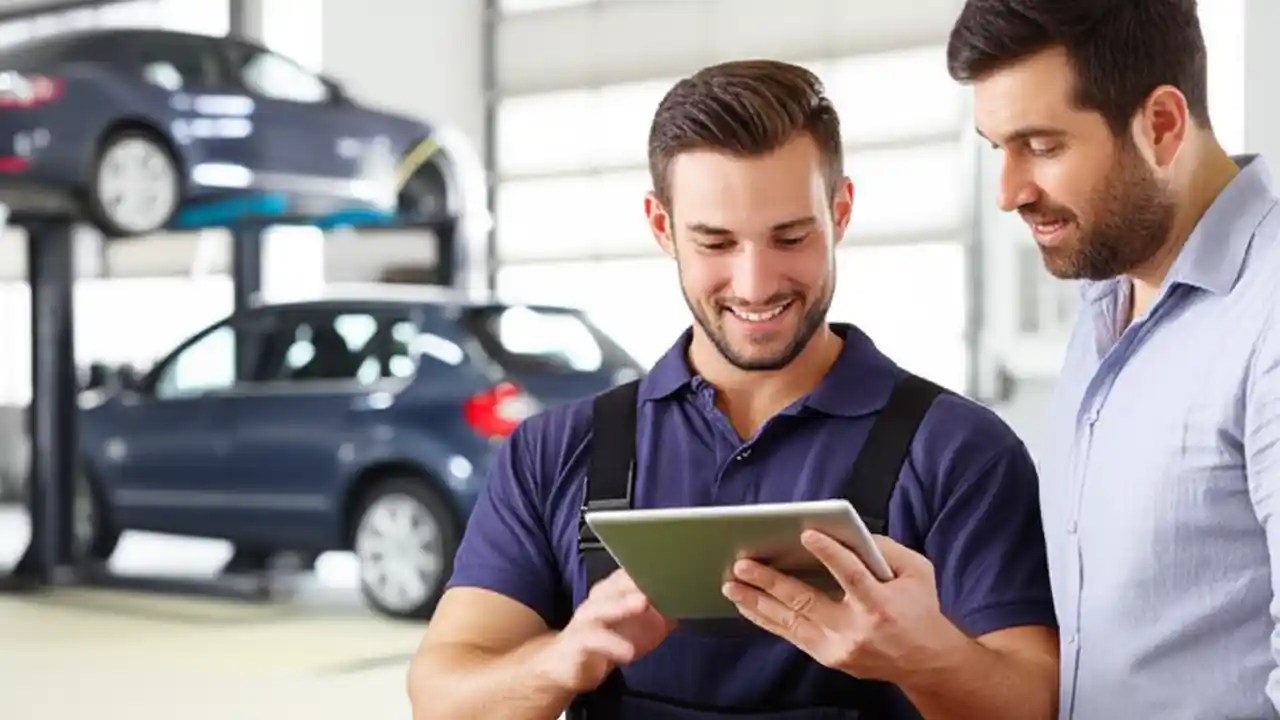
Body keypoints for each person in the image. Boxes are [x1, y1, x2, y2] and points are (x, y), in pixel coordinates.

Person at [407, 59, 1058, 720]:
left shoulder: (961, 453)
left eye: (791, 237)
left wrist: (924, 655)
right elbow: (441, 700)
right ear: (662, 228)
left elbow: (1035, 703)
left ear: (841, 211)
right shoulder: (552, 453)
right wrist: (565, 656)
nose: (755, 284)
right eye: (716, 242)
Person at [947, 0, 1280, 717]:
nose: (1009, 193)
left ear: (1161, 125)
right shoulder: (1105, 295)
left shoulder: (1268, 314)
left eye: (1041, 146)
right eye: (996, 147)